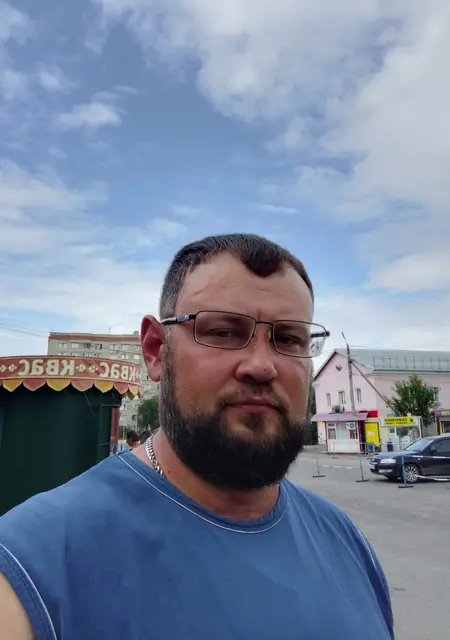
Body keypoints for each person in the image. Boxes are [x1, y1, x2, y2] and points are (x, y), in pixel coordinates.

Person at [0, 234, 394, 639]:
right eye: (223, 332)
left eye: (289, 339)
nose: (261, 366)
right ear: (156, 350)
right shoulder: (34, 565)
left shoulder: (345, 541)